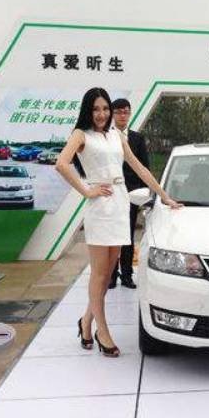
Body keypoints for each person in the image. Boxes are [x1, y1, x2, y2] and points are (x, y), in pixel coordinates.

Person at [55, 87, 181, 357]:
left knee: (107, 273)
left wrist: (165, 196)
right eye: (96, 109)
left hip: (120, 203)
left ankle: (86, 322)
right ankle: (102, 331)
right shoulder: (81, 134)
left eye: (105, 109)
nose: (101, 114)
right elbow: (61, 163)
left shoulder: (116, 135)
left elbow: (139, 167)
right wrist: (87, 190)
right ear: (88, 111)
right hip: (100, 207)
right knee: (100, 275)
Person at [108, 98, 148, 290]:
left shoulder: (137, 139)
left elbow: (144, 168)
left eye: (126, 111)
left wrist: (143, 195)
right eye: (118, 112)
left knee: (127, 236)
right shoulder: (104, 137)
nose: (122, 115)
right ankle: (110, 276)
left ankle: (126, 275)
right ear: (112, 114)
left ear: (130, 114)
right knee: (110, 236)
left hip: (130, 196)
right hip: (109, 195)